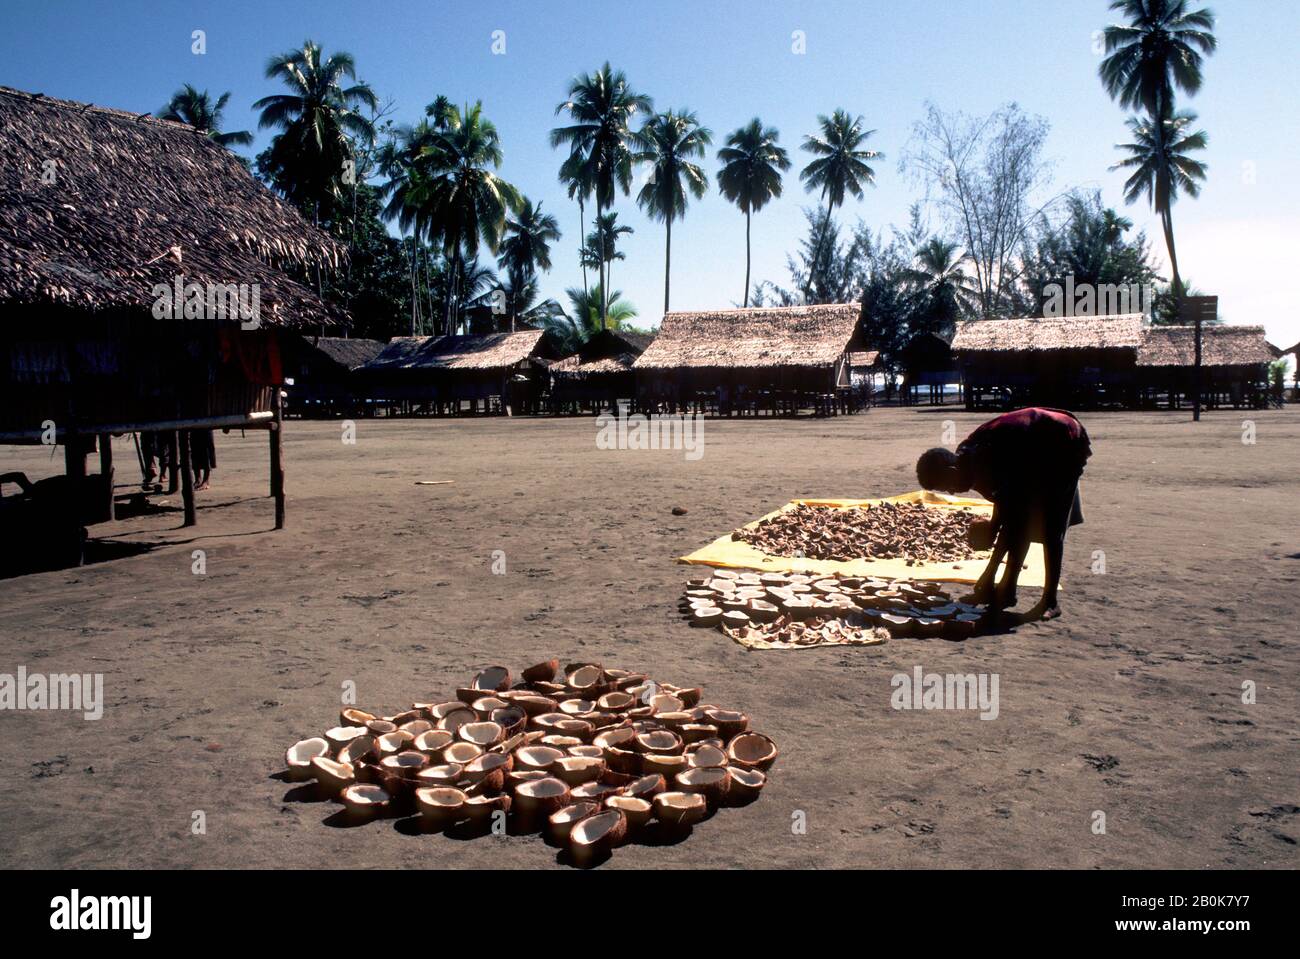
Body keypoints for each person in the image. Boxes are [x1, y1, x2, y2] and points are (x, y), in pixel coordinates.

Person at [915, 407, 1091, 622]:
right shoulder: (967, 461)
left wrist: (989, 570)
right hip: (1030, 450)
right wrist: (990, 569)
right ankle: (1007, 591)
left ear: (952, 472)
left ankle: (1050, 601)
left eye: (948, 487)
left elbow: (1012, 515)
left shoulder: (987, 462)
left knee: (1051, 527)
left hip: (1061, 441)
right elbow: (1007, 509)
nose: (952, 493)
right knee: (1020, 521)